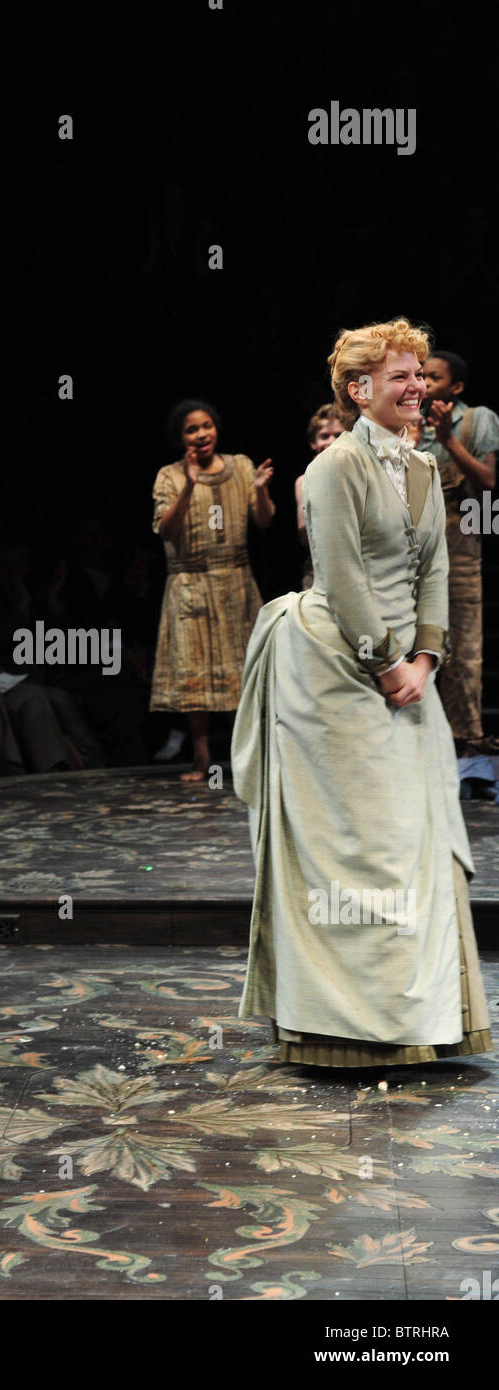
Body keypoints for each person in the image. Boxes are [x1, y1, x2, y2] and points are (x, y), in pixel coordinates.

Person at [231, 318, 492, 1067]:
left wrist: (430, 658)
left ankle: (418, 1016)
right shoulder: (338, 466)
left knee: (413, 837)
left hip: (406, 670)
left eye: (422, 374)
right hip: (332, 669)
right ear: (359, 389)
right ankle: (341, 1030)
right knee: (353, 848)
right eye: (403, 376)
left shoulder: (420, 466)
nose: (419, 387)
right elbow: (341, 574)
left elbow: (437, 568)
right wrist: (386, 665)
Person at [150, 400, 274, 781]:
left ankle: (245, 756)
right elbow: (166, 531)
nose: (201, 434)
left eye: (207, 426)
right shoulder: (169, 476)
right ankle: (202, 758)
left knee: (242, 670)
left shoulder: (240, 466)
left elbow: (264, 522)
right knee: (195, 672)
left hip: (235, 582)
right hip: (190, 583)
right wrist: (189, 484)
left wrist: (262, 490)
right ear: (181, 437)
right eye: (192, 429)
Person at [420, 350, 499, 759]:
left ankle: (465, 738)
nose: (425, 383)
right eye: (420, 376)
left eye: (433, 377)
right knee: (415, 640)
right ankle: (418, 736)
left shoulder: (477, 419)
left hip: (462, 532)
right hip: (412, 543)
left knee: (463, 645)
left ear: (456, 386)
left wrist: (448, 439)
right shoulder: (407, 422)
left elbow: (487, 482)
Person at [294, 404, 344, 590]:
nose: (331, 441)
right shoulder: (304, 481)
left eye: (338, 435)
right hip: (320, 573)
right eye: (324, 436)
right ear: (313, 443)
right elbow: (304, 533)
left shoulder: (361, 475)